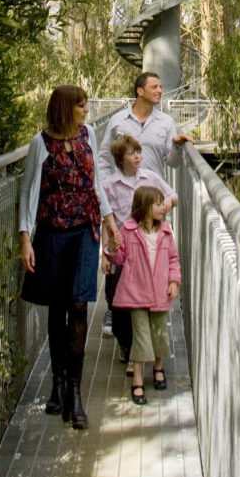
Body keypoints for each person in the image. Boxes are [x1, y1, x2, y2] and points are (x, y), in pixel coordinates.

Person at [19, 84, 120, 431]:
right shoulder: (40, 144)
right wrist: (25, 238)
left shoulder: (88, 134)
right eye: (81, 106)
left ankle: (75, 393)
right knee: (58, 307)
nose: (86, 111)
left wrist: (110, 222)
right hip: (51, 235)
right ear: (65, 109)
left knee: (79, 306)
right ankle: (57, 383)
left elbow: (95, 183)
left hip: (84, 233)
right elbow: (30, 191)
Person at [101, 136, 177, 369]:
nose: (137, 157)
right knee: (117, 298)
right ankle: (125, 343)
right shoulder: (109, 185)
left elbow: (172, 195)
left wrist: (167, 204)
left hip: (147, 246)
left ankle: (137, 352)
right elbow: (106, 219)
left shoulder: (150, 178)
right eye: (132, 153)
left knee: (142, 300)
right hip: (123, 246)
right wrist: (105, 254)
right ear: (120, 159)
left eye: (138, 152)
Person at [109, 184, 181, 405]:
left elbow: (173, 260)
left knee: (159, 331)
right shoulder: (128, 230)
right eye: (158, 204)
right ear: (144, 207)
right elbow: (118, 259)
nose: (163, 208)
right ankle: (138, 380)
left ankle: (158, 368)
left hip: (160, 291)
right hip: (136, 291)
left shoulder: (166, 232)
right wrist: (111, 247)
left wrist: (174, 280)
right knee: (140, 335)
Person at [97, 71, 193, 182]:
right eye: (154, 87)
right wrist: (106, 188)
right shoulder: (118, 120)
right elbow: (104, 158)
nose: (160, 91)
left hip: (154, 193)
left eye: (160, 87)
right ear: (140, 91)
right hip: (123, 193)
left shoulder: (167, 121)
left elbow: (173, 163)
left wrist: (177, 145)